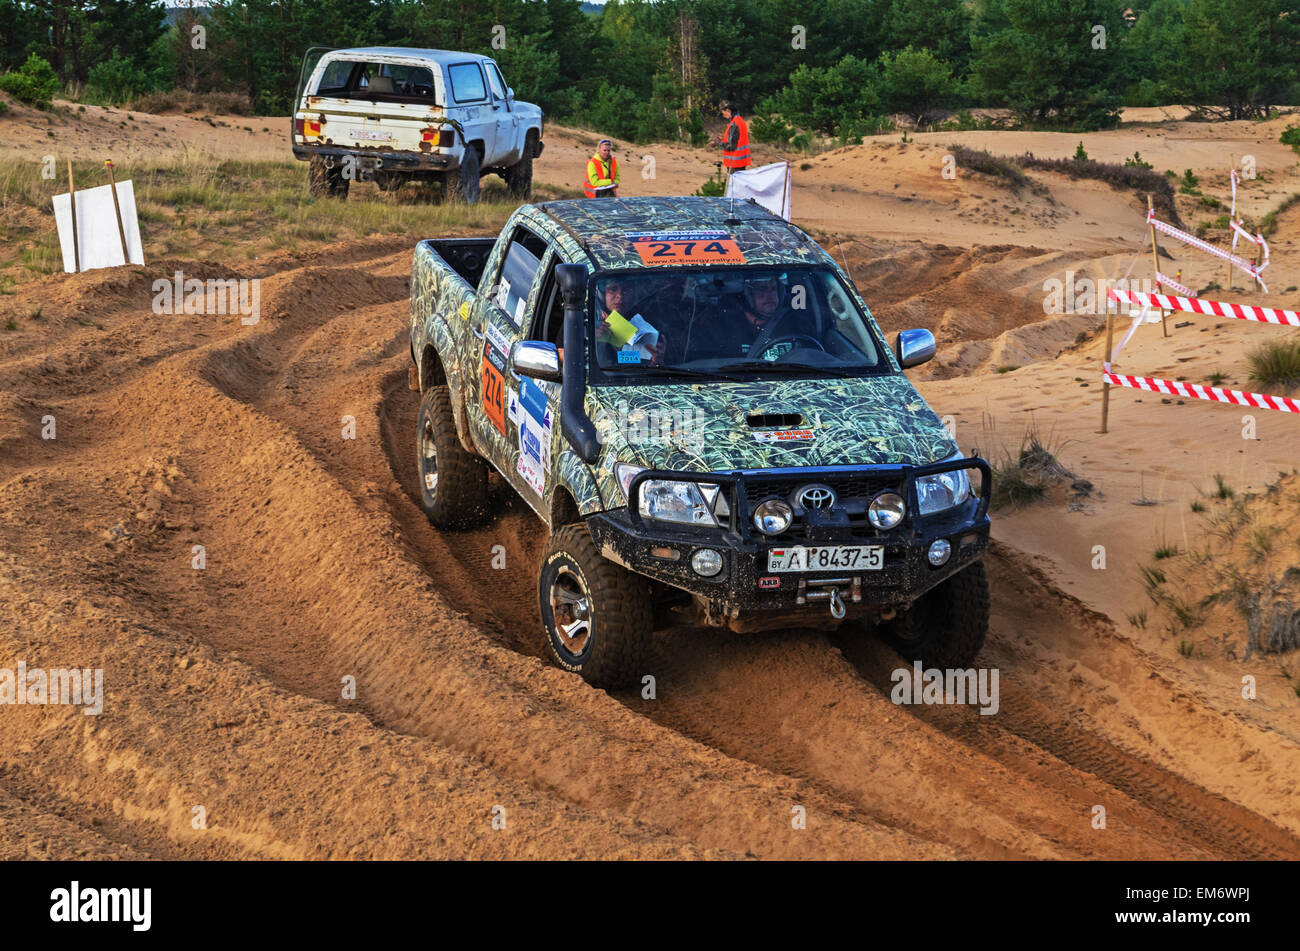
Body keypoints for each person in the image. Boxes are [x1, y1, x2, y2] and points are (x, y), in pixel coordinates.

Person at [711, 101, 750, 172]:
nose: (723, 116)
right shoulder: (739, 121)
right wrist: (723, 140)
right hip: (739, 162)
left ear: (728, 110)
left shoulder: (734, 124)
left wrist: (716, 143)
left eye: (723, 113)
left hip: (735, 163)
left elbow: (731, 146)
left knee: (734, 183)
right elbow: (736, 140)